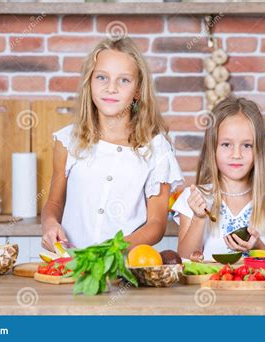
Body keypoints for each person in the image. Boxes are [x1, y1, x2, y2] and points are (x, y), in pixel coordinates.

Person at [41, 37, 183, 251]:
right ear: (89, 83)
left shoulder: (156, 148)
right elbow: (54, 204)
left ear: (137, 91)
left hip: (123, 269)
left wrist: (113, 249)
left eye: (124, 80)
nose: (111, 88)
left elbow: (156, 224)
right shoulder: (68, 140)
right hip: (69, 265)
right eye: (101, 77)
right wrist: (50, 223)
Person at [172, 96, 265, 261]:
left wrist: (257, 247)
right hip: (206, 287)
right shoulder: (193, 198)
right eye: (226, 144)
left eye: (247, 145)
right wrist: (199, 218)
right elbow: (184, 259)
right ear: (212, 148)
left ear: (258, 151)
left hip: (252, 288)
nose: (236, 155)